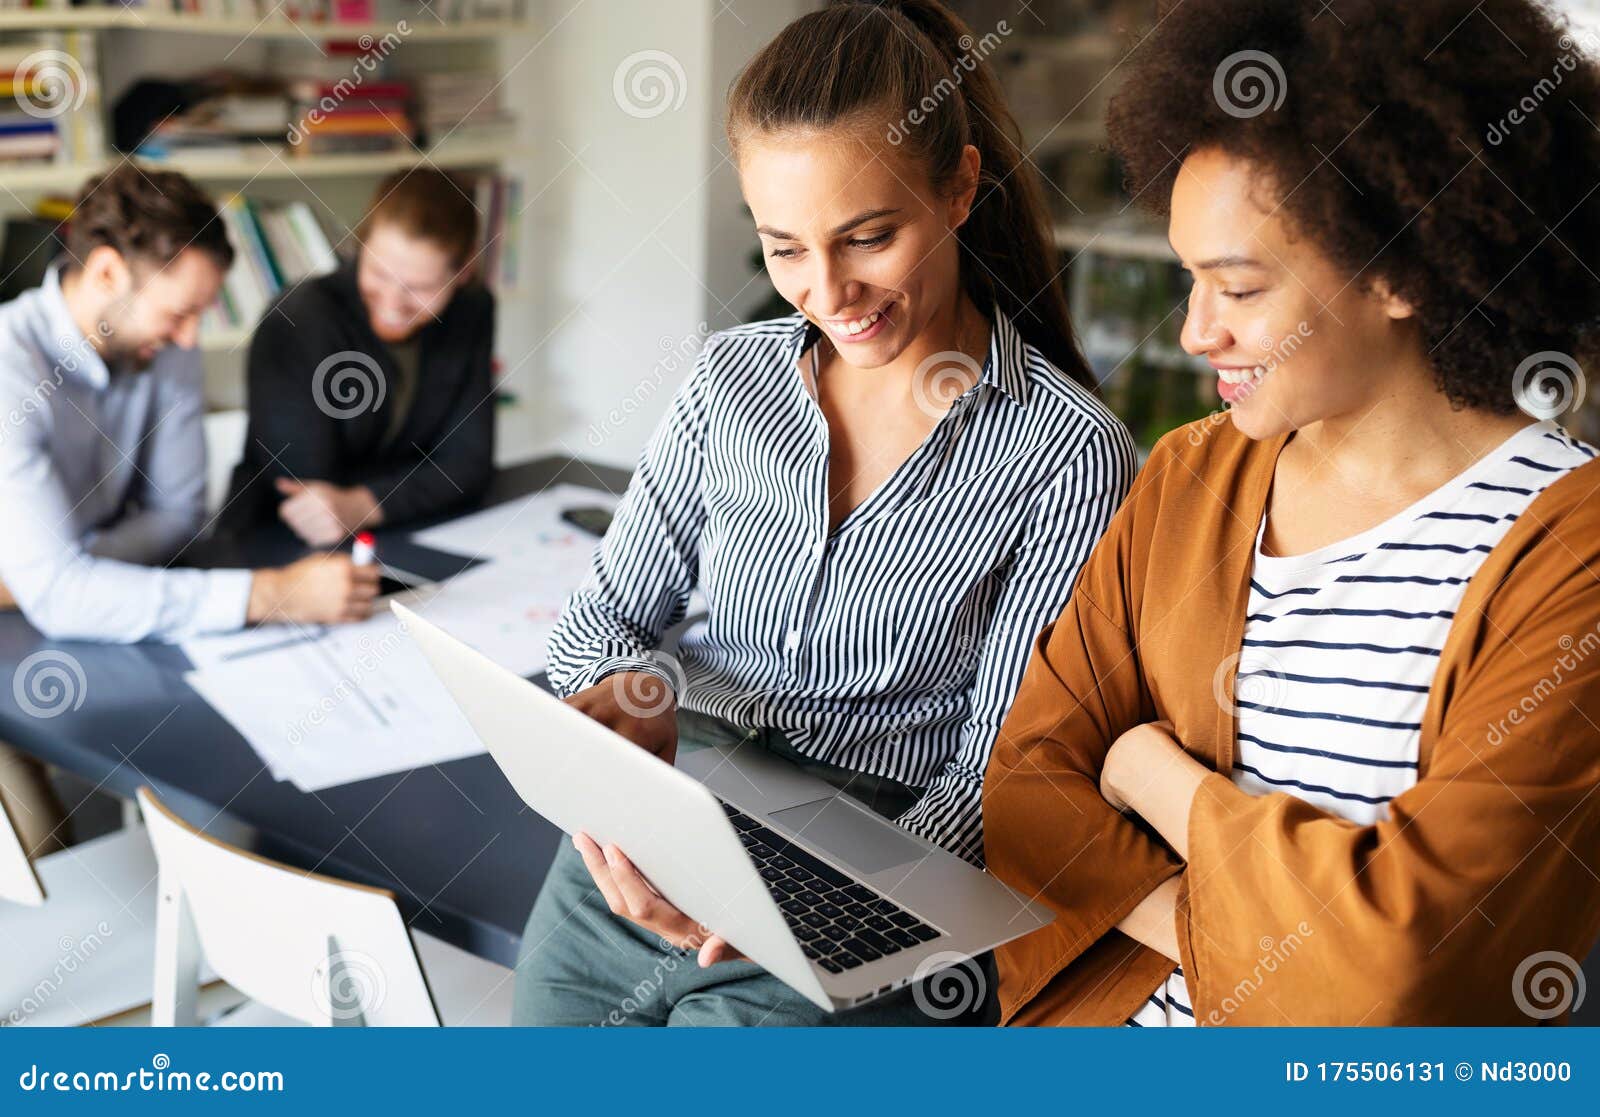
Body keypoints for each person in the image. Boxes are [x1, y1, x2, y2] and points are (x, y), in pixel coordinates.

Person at [512, 0, 1137, 1027]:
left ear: (959, 187)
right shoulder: (729, 384)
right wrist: (625, 706)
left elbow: (1000, 774)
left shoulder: (1064, 452)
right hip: (672, 828)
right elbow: (600, 621)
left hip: (878, 865)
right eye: (785, 249)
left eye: (868, 237)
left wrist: (825, 906)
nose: (829, 292)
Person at [983, 0, 1600, 1026]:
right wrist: (1269, 943)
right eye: (1189, 281)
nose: (1192, 333)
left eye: (1238, 288)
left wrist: (1149, 771)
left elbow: (1408, 965)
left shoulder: (1567, 553)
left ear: (1400, 268)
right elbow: (1028, 788)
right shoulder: (1188, 477)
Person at [0, 165, 379, 855]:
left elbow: (177, 515)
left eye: (198, 316)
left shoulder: (164, 345)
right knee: (45, 849)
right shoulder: (8, 370)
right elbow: (58, 596)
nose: (186, 339)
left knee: (226, 785)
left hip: (47, 618)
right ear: (109, 272)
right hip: (23, 657)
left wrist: (52, 571)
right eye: (177, 312)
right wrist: (273, 593)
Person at [221, 168, 495, 545]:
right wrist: (415, 482)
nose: (394, 304)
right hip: (278, 543)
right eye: (379, 274)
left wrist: (362, 504)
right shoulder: (299, 318)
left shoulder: (472, 310)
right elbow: (309, 496)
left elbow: (470, 465)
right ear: (360, 246)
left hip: (409, 532)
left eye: (421, 288)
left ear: (464, 272)